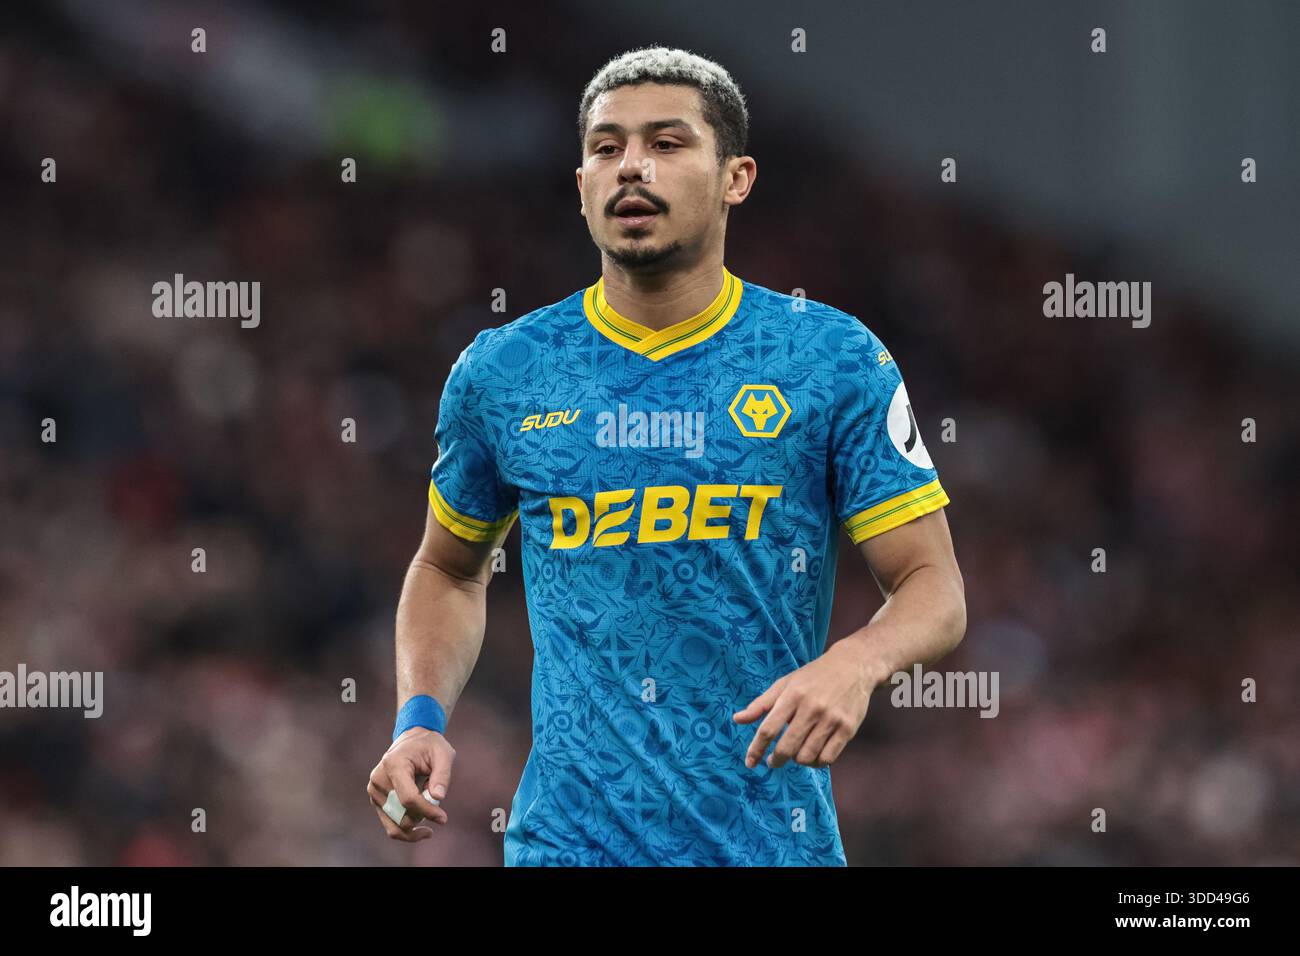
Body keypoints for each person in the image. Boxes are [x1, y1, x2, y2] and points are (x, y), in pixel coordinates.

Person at [367, 46, 966, 865]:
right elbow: (448, 570)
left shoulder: (831, 360)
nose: (632, 168)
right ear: (581, 188)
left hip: (767, 845)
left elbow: (933, 589)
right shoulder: (504, 372)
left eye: (668, 143)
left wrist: (855, 664)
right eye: (606, 148)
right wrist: (419, 720)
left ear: (736, 178)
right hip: (564, 846)